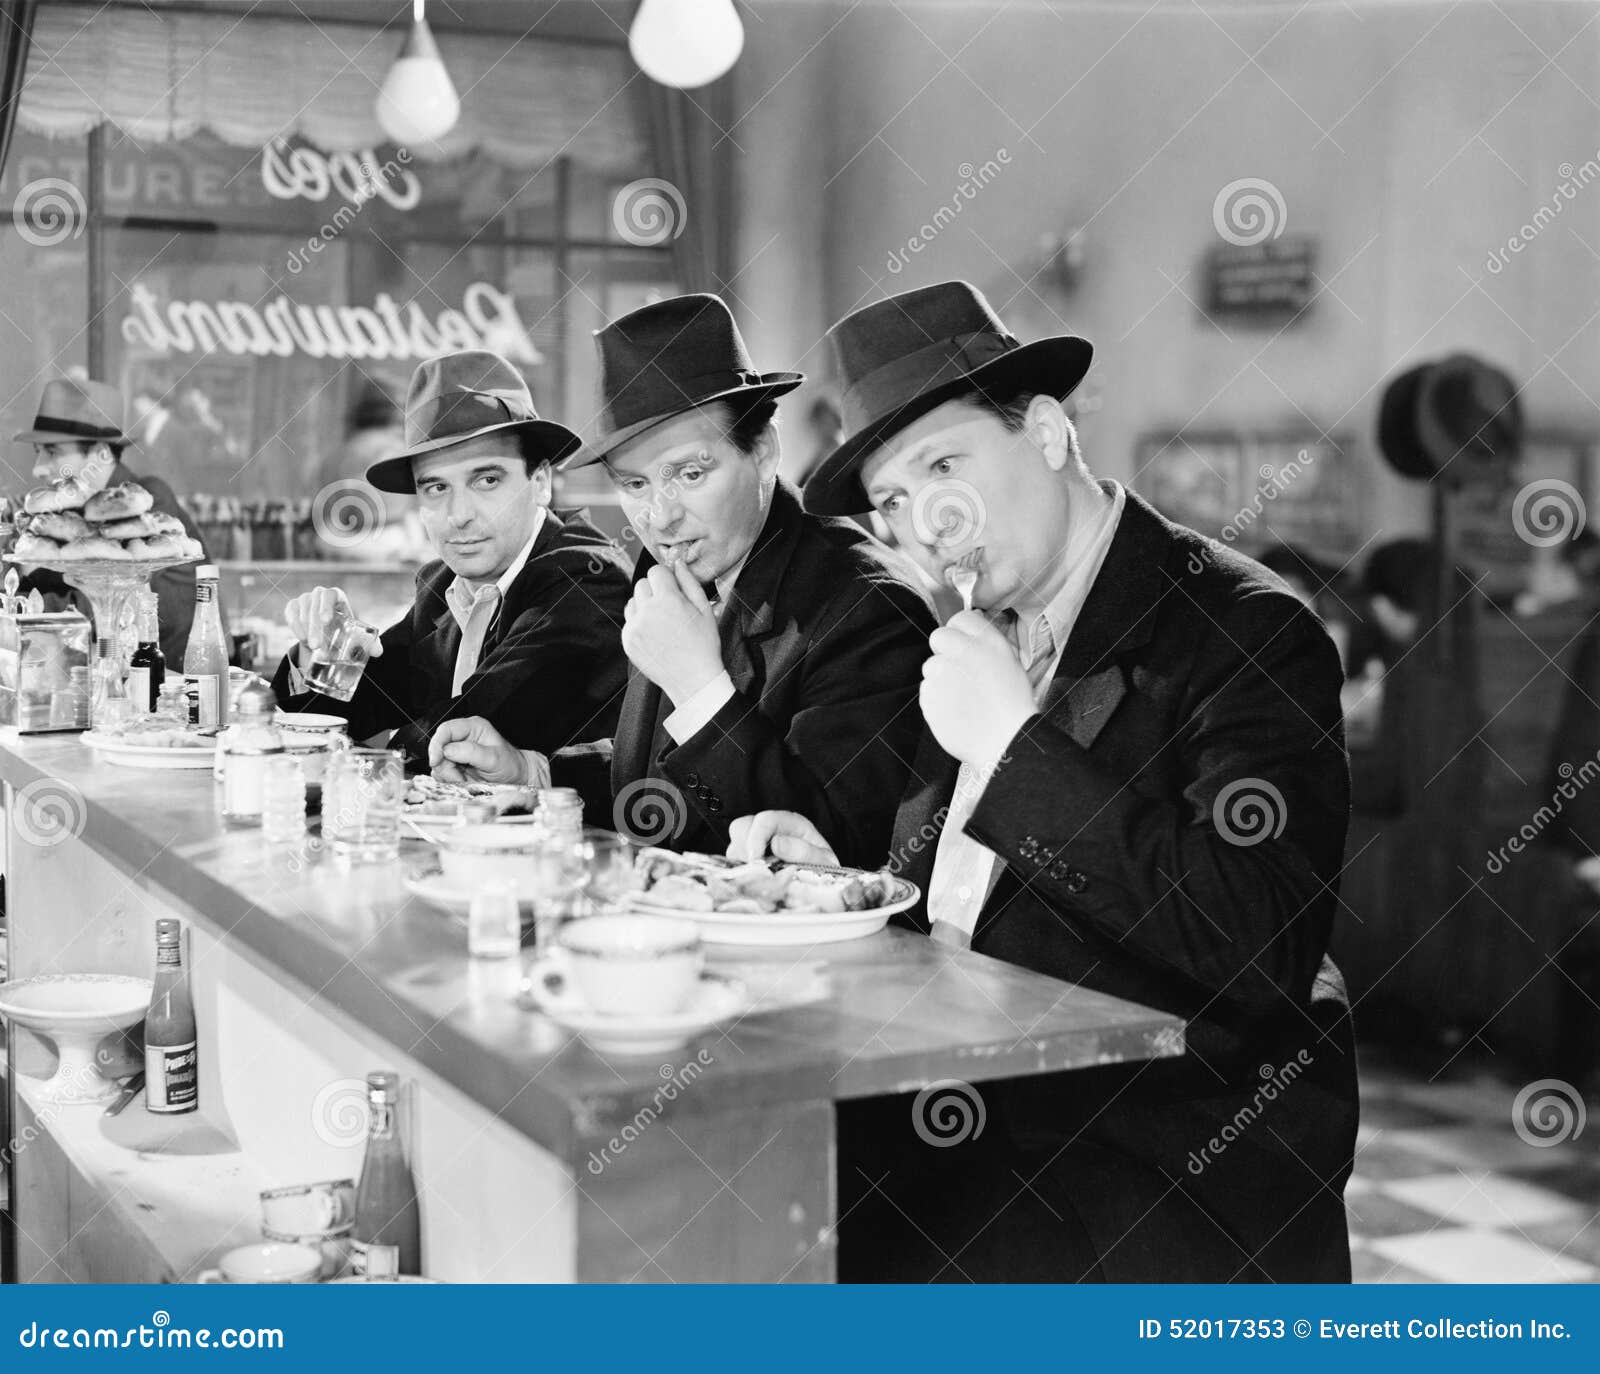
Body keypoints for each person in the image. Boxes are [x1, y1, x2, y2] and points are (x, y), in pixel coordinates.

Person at [741, 281, 1358, 1282]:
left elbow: (1258, 942)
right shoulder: (976, 632)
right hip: (959, 1133)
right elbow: (969, 905)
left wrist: (1014, 745)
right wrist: (839, 880)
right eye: (892, 501)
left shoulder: (1244, 628)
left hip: (1147, 1173)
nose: (925, 523)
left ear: (1044, 432)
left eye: (944, 466)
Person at [426, 293, 934, 868]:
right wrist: (535, 774)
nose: (659, 517)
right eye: (635, 484)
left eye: (690, 473)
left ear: (763, 451)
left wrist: (700, 688)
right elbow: (662, 772)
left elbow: (834, 853)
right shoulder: (673, 562)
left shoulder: (869, 605)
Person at [269, 350, 632, 770]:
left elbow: (469, 727)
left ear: (540, 482)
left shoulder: (587, 577)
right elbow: (349, 712)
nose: (458, 515)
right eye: (436, 488)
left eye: (487, 480)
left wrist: (375, 759)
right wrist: (322, 650)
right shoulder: (443, 585)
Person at [13, 377, 208, 664]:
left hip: (184, 678)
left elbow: (95, 609)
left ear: (100, 453)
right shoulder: (71, 520)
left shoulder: (148, 505)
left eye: (52, 452)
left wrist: (19, 606)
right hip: (115, 673)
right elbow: (44, 582)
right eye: (38, 453)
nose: (38, 469)